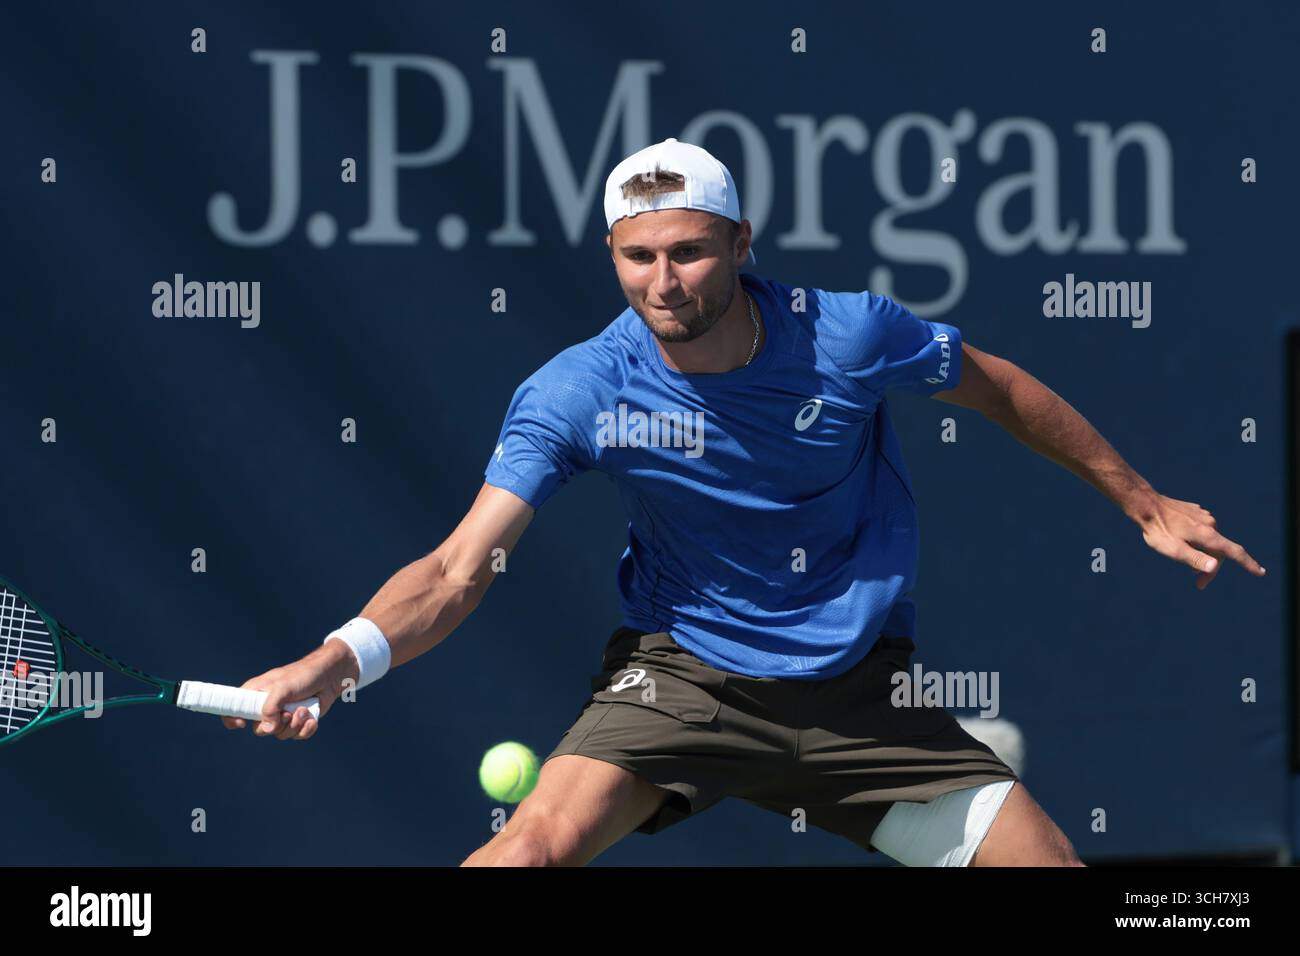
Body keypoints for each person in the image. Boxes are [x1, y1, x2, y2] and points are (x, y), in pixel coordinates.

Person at [223, 138, 1266, 867]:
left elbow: (999, 386)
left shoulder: (849, 334)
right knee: (526, 849)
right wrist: (330, 661)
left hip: (857, 690)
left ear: (739, 241)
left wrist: (1139, 499)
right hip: (683, 678)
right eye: (639, 255)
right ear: (613, 257)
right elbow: (457, 569)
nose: (664, 279)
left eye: (688, 250)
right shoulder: (578, 388)